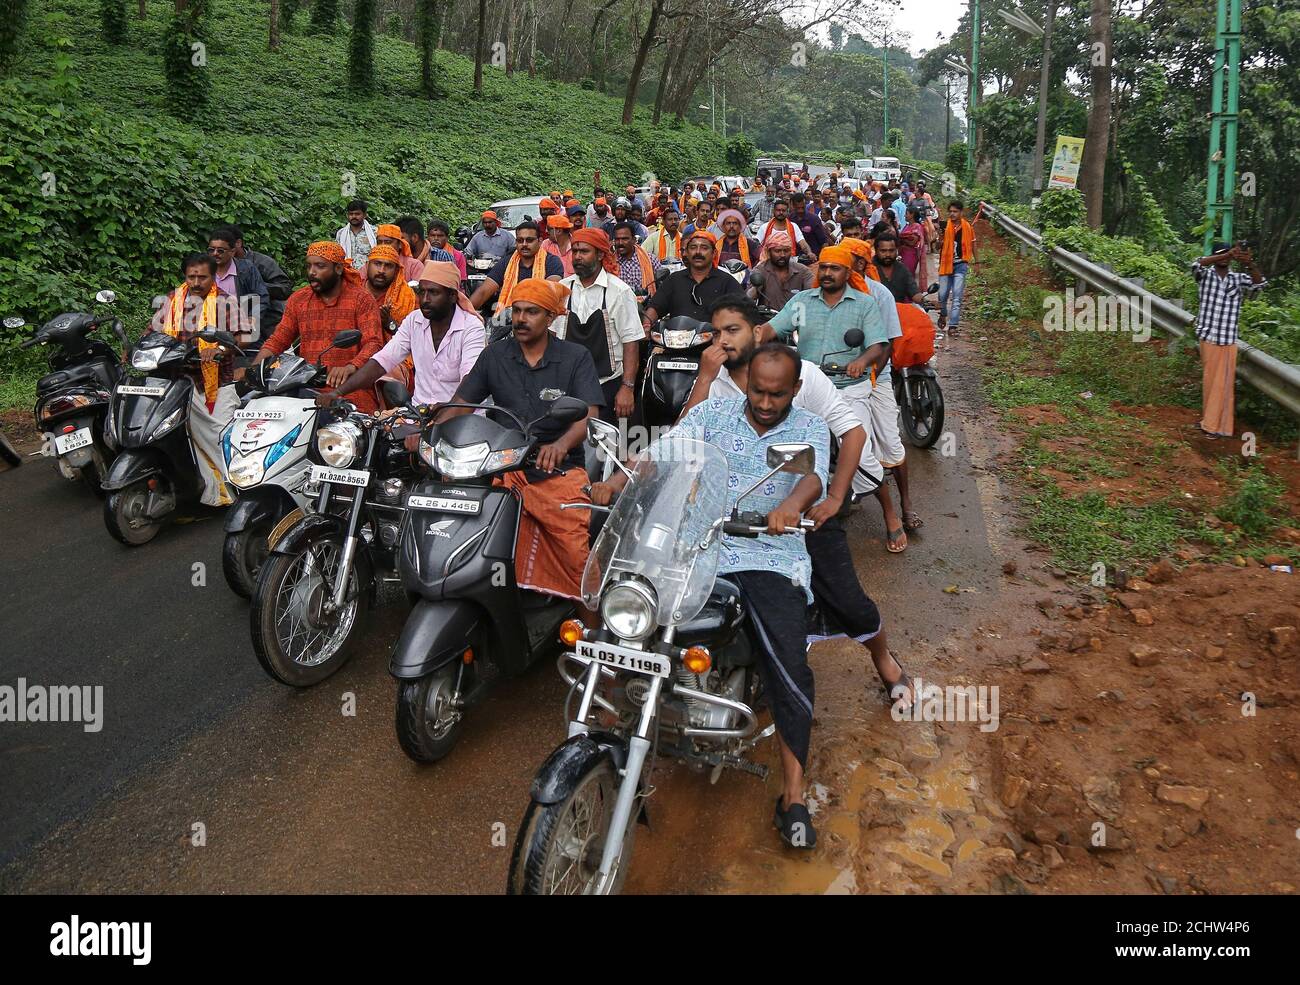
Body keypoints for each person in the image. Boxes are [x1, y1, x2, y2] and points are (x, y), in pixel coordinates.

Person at [682, 297, 915, 709]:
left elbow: (853, 432)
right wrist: (704, 377)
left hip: (805, 514)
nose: (723, 341)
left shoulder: (803, 374)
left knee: (848, 601)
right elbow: (685, 437)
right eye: (715, 333)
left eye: (732, 330)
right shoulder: (714, 381)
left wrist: (835, 497)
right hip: (737, 518)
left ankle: (885, 661)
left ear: (757, 333)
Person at [653, 345, 829, 847]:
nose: (767, 403)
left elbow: (811, 478)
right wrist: (633, 470)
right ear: (747, 381)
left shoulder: (808, 427)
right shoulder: (713, 412)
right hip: (700, 547)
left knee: (789, 665)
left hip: (766, 554)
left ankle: (793, 796)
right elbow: (673, 448)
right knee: (637, 621)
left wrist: (792, 505)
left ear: (795, 389)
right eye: (758, 390)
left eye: (778, 394)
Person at [437, 278, 604, 619]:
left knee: (576, 557)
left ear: (552, 317)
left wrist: (559, 445)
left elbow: (588, 415)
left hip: (557, 470)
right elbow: (461, 403)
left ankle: (595, 636)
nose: (521, 319)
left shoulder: (575, 357)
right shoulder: (495, 355)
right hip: (500, 468)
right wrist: (429, 432)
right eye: (516, 311)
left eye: (532, 312)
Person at [759, 246, 914, 552]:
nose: (827, 273)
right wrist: (750, 336)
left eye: (835, 268)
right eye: (824, 267)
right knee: (777, 442)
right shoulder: (802, 302)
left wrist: (862, 361)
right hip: (807, 386)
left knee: (861, 455)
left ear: (848, 273)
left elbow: (878, 345)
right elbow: (771, 329)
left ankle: (891, 515)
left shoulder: (864, 304)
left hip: (849, 387)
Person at [321, 260, 486, 408]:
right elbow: (383, 360)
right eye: (422, 292)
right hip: (419, 417)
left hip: (461, 419)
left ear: (452, 296)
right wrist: (337, 392)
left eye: (433, 292)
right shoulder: (414, 321)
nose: (425, 299)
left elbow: (470, 382)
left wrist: (442, 414)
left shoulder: (471, 328)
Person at [251, 241, 385, 414]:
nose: (312, 272)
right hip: (304, 385)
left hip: (350, 387)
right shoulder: (298, 299)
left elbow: (373, 343)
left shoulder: (362, 299)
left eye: (320, 266)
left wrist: (351, 367)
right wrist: (253, 369)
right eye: (309, 266)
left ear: (338, 269)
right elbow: (278, 340)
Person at [158, 253, 240, 506]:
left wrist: (219, 349)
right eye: (191, 276)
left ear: (214, 277)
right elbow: (154, 331)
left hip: (218, 383)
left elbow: (241, 337)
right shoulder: (172, 301)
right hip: (180, 380)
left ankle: (238, 490)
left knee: (222, 438)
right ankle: (206, 492)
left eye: (202, 277)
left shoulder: (226, 302)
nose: (195, 282)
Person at [554, 228, 643, 424]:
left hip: (607, 384)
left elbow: (631, 342)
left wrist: (627, 388)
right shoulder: (562, 288)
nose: (577, 257)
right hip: (567, 384)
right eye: (575, 251)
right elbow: (551, 335)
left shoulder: (619, 291)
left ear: (601, 254)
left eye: (584, 252)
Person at [1192, 243, 1266, 438]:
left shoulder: (1238, 278)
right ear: (1215, 256)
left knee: (1221, 384)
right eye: (1221, 255)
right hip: (1208, 336)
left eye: (1228, 255)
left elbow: (1259, 285)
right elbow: (1197, 264)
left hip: (1226, 339)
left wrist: (1250, 263)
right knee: (1210, 382)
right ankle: (1210, 421)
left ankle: (1214, 427)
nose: (1225, 258)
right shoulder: (1205, 275)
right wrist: (1224, 254)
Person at [641, 229, 744, 328]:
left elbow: (743, 312)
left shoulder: (726, 281)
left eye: (704, 248)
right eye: (693, 247)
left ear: (714, 254)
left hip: (715, 342)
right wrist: (646, 326)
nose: (698, 252)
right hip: (675, 341)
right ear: (687, 252)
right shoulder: (674, 280)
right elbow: (655, 307)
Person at [468, 221, 564, 312]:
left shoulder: (552, 261)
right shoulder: (506, 262)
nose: (524, 244)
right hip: (509, 317)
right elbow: (484, 291)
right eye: (520, 240)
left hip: (540, 318)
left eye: (529, 240)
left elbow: (550, 291)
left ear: (539, 241)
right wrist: (466, 313)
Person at [207, 225, 270, 344]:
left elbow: (261, 297)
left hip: (241, 331)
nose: (215, 253)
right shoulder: (204, 271)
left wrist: (252, 318)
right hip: (210, 331)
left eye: (220, 250)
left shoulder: (246, 269)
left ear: (232, 252)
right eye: (211, 250)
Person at [227, 224, 291, 337]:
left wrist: (257, 287)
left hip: (269, 324)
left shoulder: (262, 262)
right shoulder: (219, 267)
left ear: (238, 243)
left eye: (226, 246)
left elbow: (285, 288)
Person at [363, 244, 419, 339]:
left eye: (388, 266)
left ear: (397, 270)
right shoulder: (354, 291)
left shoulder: (409, 297)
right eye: (377, 264)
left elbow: (415, 339)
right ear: (367, 265)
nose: (381, 270)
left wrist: (389, 322)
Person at [750, 231, 813, 311]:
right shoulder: (760, 270)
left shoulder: (803, 271)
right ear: (769, 252)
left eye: (786, 251)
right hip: (768, 320)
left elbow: (812, 293)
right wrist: (756, 288)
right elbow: (749, 297)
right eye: (777, 251)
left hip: (795, 319)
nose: (782, 255)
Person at [937, 201, 975, 333]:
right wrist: (940, 239)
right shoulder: (945, 227)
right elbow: (937, 247)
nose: (952, 214)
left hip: (961, 264)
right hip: (946, 264)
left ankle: (953, 324)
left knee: (957, 295)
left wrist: (978, 263)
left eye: (955, 211)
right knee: (942, 294)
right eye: (951, 212)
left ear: (961, 212)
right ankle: (943, 313)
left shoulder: (967, 227)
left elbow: (973, 244)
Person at [871, 231, 924, 303]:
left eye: (891, 250)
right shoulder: (868, 269)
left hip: (898, 311)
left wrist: (926, 301)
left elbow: (914, 292)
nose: (888, 254)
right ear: (876, 251)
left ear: (897, 250)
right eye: (883, 251)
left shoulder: (902, 269)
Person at [612, 221, 660, 296]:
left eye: (625, 239)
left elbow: (662, 288)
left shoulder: (651, 260)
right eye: (617, 239)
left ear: (634, 240)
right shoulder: (609, 263)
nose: (620, 243)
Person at [335, 200, 376, 270]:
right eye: (351, 214)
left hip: (368, 275)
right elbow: (337, 256)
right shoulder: (341, 234)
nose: (354, 216)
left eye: (357, 214)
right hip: (347, 273)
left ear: (365, 215)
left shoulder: (374, 232)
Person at [899, 204, 927, 289]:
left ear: (912, 215)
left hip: (911, 254)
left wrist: (902, 239)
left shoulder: (917, 226)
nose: (904, 215)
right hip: (903, 253)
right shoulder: (907, 226)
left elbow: (913, 242)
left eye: (906, 213)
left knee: (908, 274)